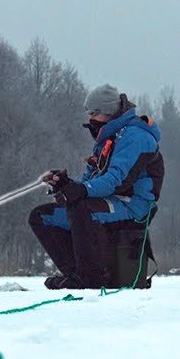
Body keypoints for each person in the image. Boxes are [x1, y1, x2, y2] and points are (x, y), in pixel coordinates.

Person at [29, 84, 164, 289]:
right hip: (110, 200)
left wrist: (81, 191)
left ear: (109, 112)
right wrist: (66, 187)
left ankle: (90, 279)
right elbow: (91, 179)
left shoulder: (136, 136)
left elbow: (116, 180)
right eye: (88, 113)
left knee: (83, 210)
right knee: (41, 217)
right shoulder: (107, 138)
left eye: (94, 113)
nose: (90, 118)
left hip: (133, 205)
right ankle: (76, 274)